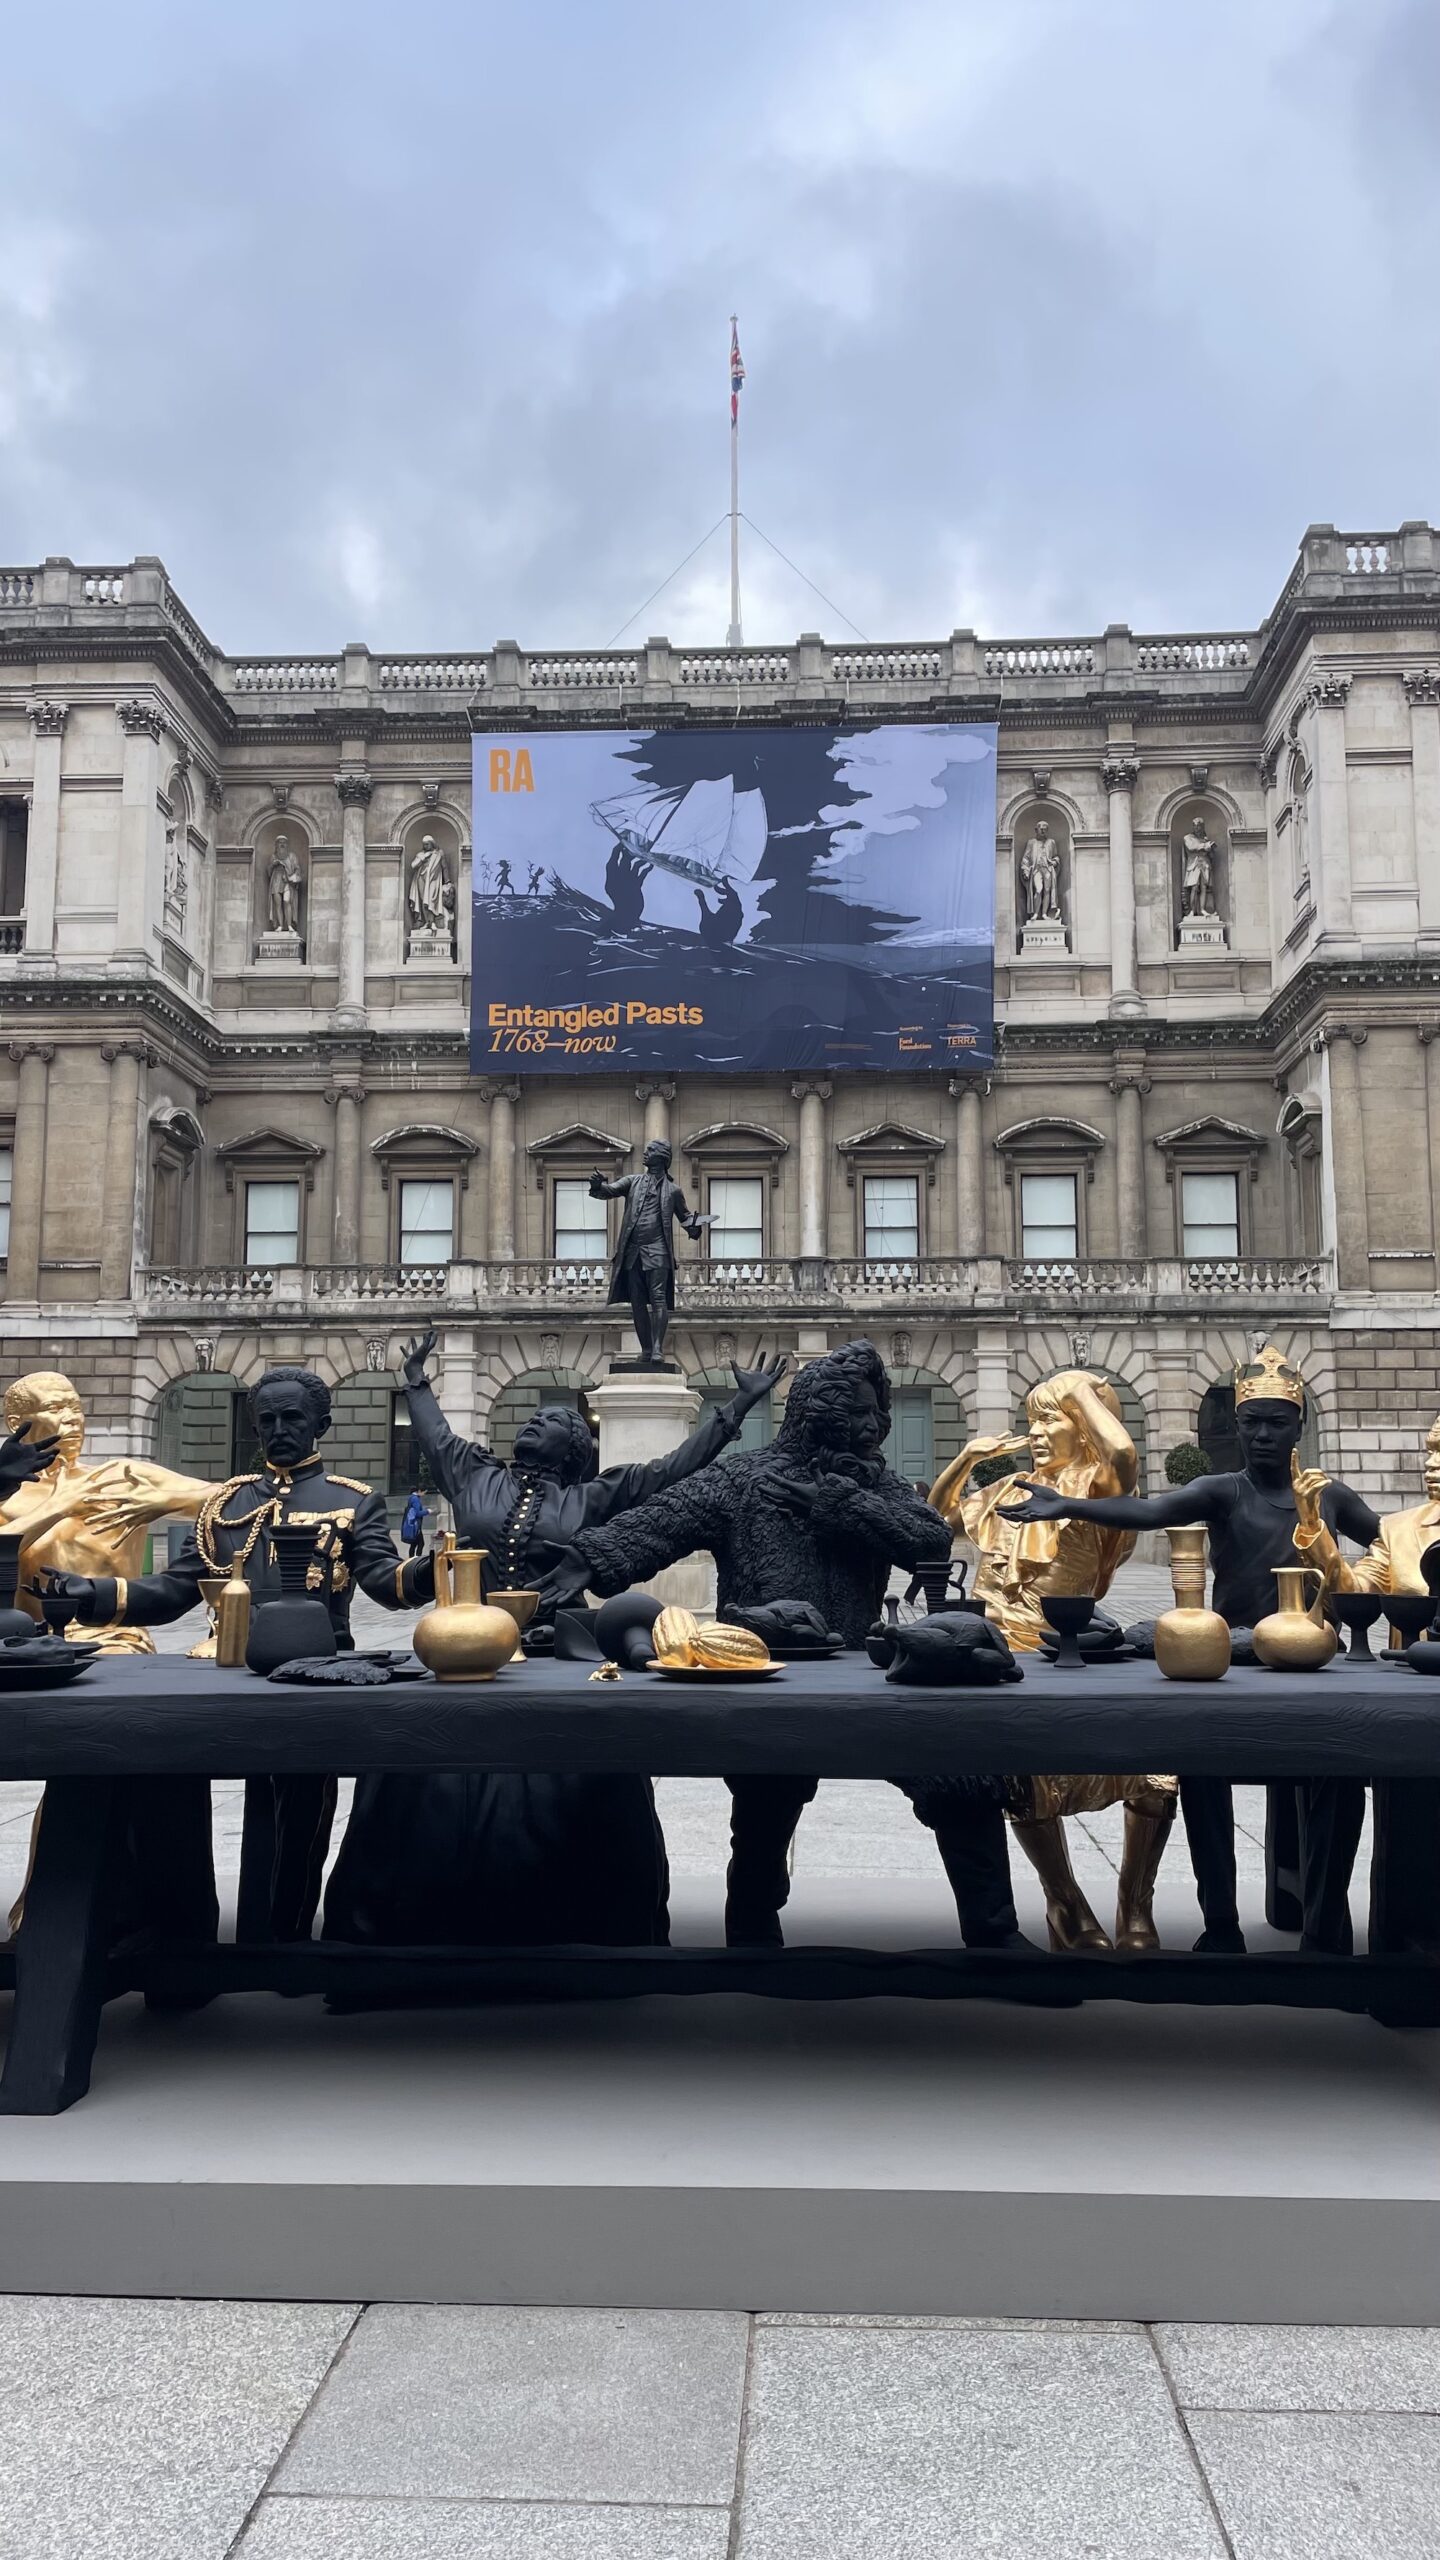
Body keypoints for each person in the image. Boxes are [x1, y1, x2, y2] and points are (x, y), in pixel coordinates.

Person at [537, 1341, 1029, 1954]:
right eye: (859, 1412)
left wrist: (841, 1505)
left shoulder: (874, 1484)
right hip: (765, 1676)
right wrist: (586, 1560)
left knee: (959, 1774)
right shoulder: (742, 1479)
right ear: (817, 1414)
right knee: (764, 1810)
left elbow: (929, 1541)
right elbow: (657, 1522)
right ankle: (751, 1929)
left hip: (865, 1675)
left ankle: (995, 1932)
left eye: (878, 1412)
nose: (874, 1425)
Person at [318, 1331, 788, 1949]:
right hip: (467, 1649)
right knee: (420, 1771)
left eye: (554, 1421)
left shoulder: (592, 1497)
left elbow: (673, 1469)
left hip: (560, 1650)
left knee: (576, 1771)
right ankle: (417, 1925)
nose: (537, 1424)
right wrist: (415, 1381)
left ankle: (577, 1927)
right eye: (534, 1419)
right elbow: (433, 1435)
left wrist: (735, 1410)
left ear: (577, 1446)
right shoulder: (474, 1477)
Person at [997, 1343, 1379, 1952]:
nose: (1261, 1435)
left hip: (1309, 1665)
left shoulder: (1327, 1495)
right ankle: (1220, 1924)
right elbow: (1149, 1511)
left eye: (1275, 1423)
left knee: (1338, 1773)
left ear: (1297, 1426)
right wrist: (1069, 1503)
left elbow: (1390, 1544)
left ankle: (1325, 1924)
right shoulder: (1223, 1490)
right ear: (1237, 1425)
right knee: (1200, 1772)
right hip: (1228, 1664)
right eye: (1251, 1423)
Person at [46, 1366, 434, 1940]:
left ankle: (279, 1941)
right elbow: (175, 1590)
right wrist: (94, 1595)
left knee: (297, 1815)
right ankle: (184, 1938)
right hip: (222, 1675)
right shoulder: (227, 1503)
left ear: (321, 1424)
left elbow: (384, 1582)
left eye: (292, 1418)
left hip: (313, 1679)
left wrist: (435, 1572)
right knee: (167, 1793)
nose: (278, 1430)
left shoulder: (352, 1502)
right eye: (267, 1420)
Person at [930, 1373, 1176, 1953]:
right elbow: (934, 1521)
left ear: (1084, 1425)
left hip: (1077, 1650)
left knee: (1156, 1770)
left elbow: (1122, 1452)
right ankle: (1065, 1902)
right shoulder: (1008, 1491)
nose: (1037, 1432)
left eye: (1052, 1419)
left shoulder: (1095, 1488)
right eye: (1033, 1419)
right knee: (1028, 1779)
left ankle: (1134, 1901)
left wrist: (1079, 1389)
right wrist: (966, 1457)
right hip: (1005, 1655)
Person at [590, 1135, 708, 1365]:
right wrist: (597, 1185)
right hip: (633, 1252)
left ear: (662, 1158)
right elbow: (609, 1191)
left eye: (651, 1150)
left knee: (658, 1299)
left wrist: (695, 1229)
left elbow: (685, 1218)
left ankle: (656, 1349)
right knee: (637, 1303)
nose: (646, 1152)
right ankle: (645, 1350)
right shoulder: (632, 1181)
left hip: (658, 1251)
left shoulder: (673, 1191)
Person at [401, 1487, 431, 1558]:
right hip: (416, 1525)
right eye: (424, 1492)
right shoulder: (415, 1499)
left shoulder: (411, 1498)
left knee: (414, 1544)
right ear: (420, 1491)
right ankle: (417, 1559)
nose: (424, 1494)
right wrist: (427, 1511)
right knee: (421, 1543)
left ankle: (411, 1558)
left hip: (413, 1524)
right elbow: (417, 1513)